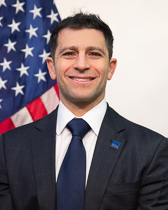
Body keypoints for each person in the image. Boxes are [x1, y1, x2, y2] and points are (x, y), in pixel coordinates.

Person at [0, 12, 168, 210]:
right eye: (69, 53)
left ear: (111, 68)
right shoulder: (8, 147)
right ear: (52, 67)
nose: (81, 65)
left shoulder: (152, 150)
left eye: (94, 54)